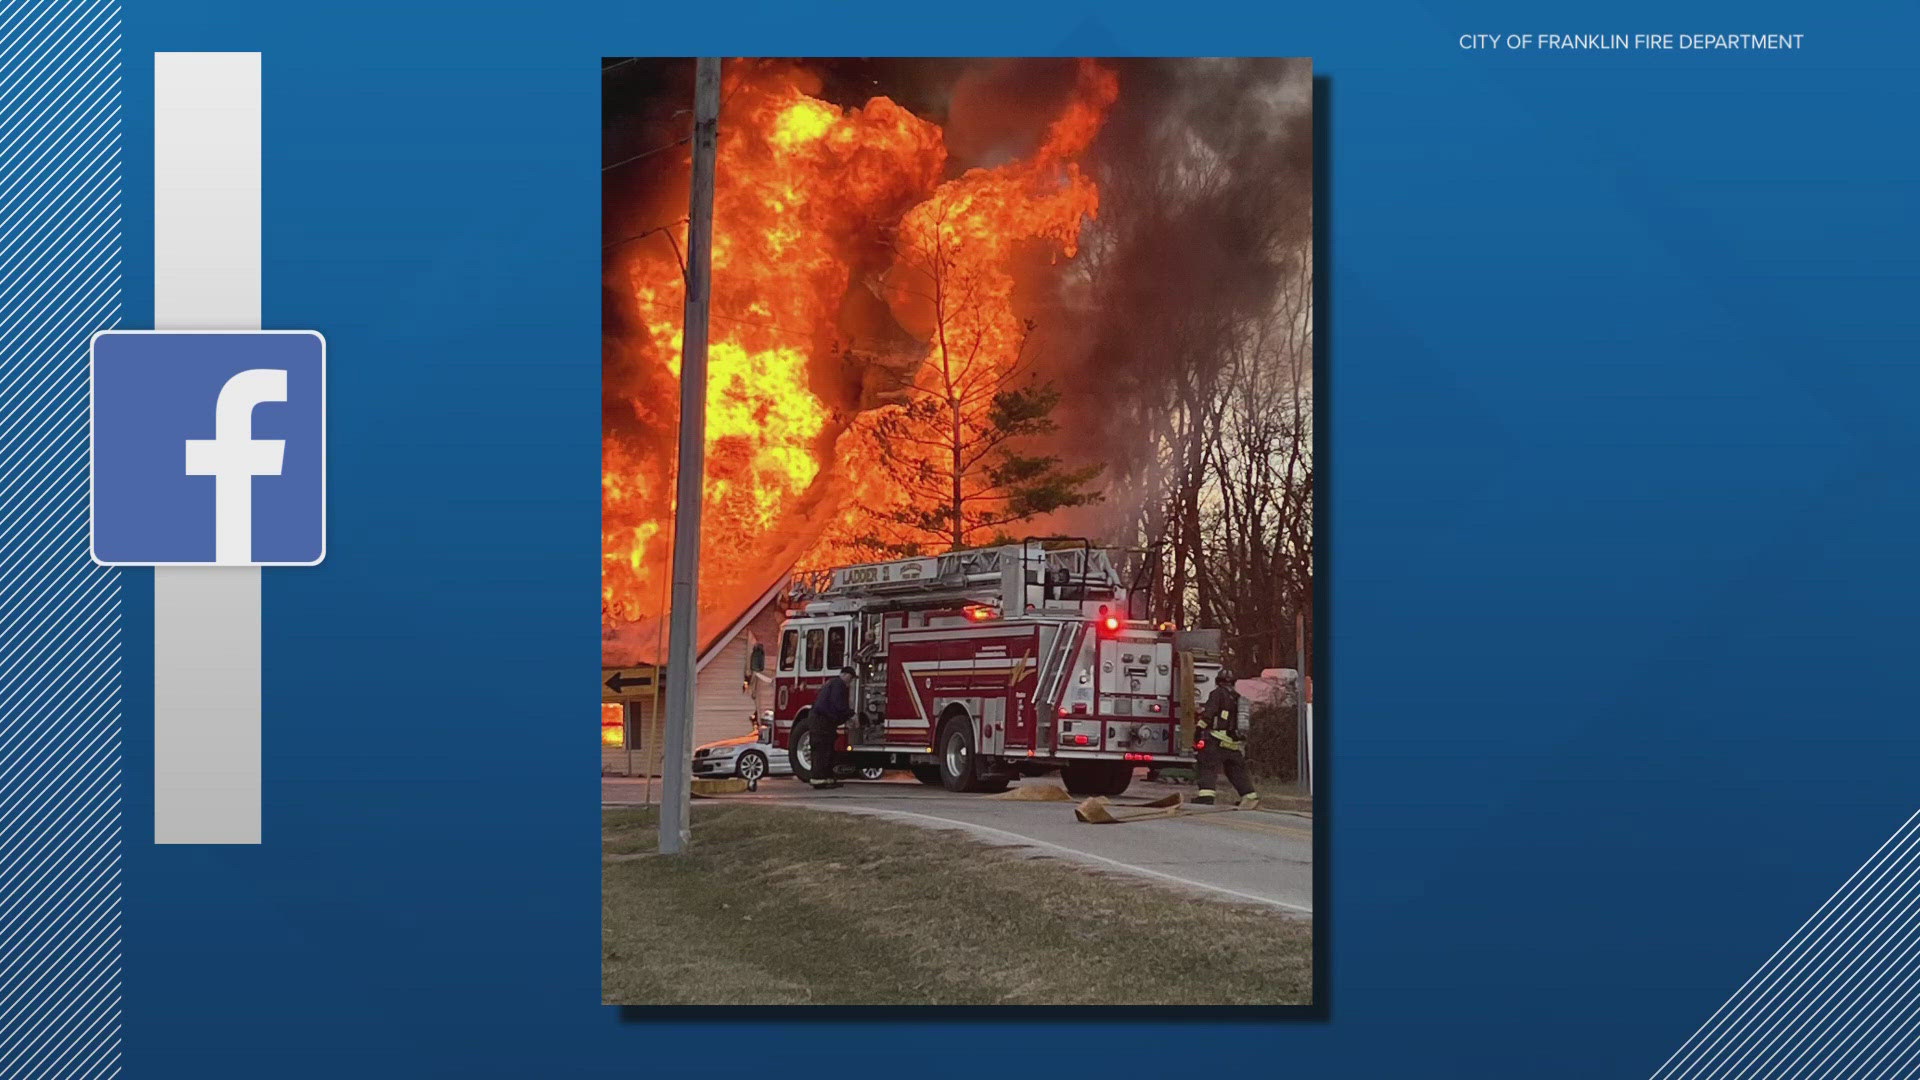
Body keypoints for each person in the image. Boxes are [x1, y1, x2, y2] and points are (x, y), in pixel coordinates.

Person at [1194, 668, 1259, 808]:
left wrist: (1199, 729)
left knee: (1206, 765)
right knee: (1237, 771)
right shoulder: (1238, 697)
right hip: (1234, 742)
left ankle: (1206, 796)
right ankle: (1249, 797)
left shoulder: (1217, 694)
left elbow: (1209, 714)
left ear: (1218, 681)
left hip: (1217, 739)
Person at [807, 666, 855, 789]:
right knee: (822, 750)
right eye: (850, 678)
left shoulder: (832, 683)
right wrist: (851, 715)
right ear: (844, 674)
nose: (851, 682)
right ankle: (818, 779)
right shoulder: (839, 684)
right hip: (821, 722)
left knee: (827, 750)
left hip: (821, 722)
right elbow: (838, 704)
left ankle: (826, 779)